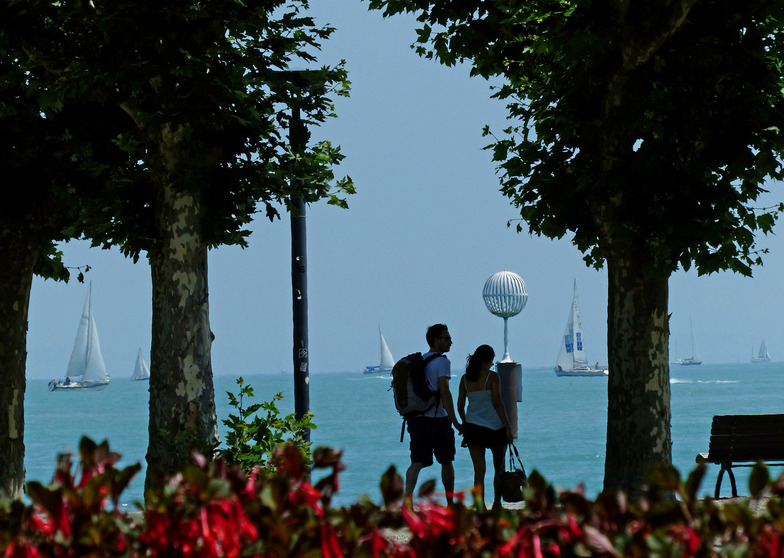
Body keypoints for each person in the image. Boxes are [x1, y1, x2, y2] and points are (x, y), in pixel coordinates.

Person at [404, 323, 462, 506]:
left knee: (416, 462)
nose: (451, 342)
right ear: (436, 340)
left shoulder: (420, 361)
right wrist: (455, 420)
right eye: (447, 338)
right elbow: (444, 391)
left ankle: (407, 501)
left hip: (417, 419)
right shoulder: (443, 362)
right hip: (438, 420)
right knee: (446, 460)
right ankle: (450, 503)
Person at [457, 344, 513, 512]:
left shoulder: (465, 379)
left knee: (479, 472)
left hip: (474, 429)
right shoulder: (492, 377)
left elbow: (460, 405)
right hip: (495, 428)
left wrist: (465, 422)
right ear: (487, 360)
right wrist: (508, 426)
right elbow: (497, 403)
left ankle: (480, 506)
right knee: (498, 469)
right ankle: (497, 503)